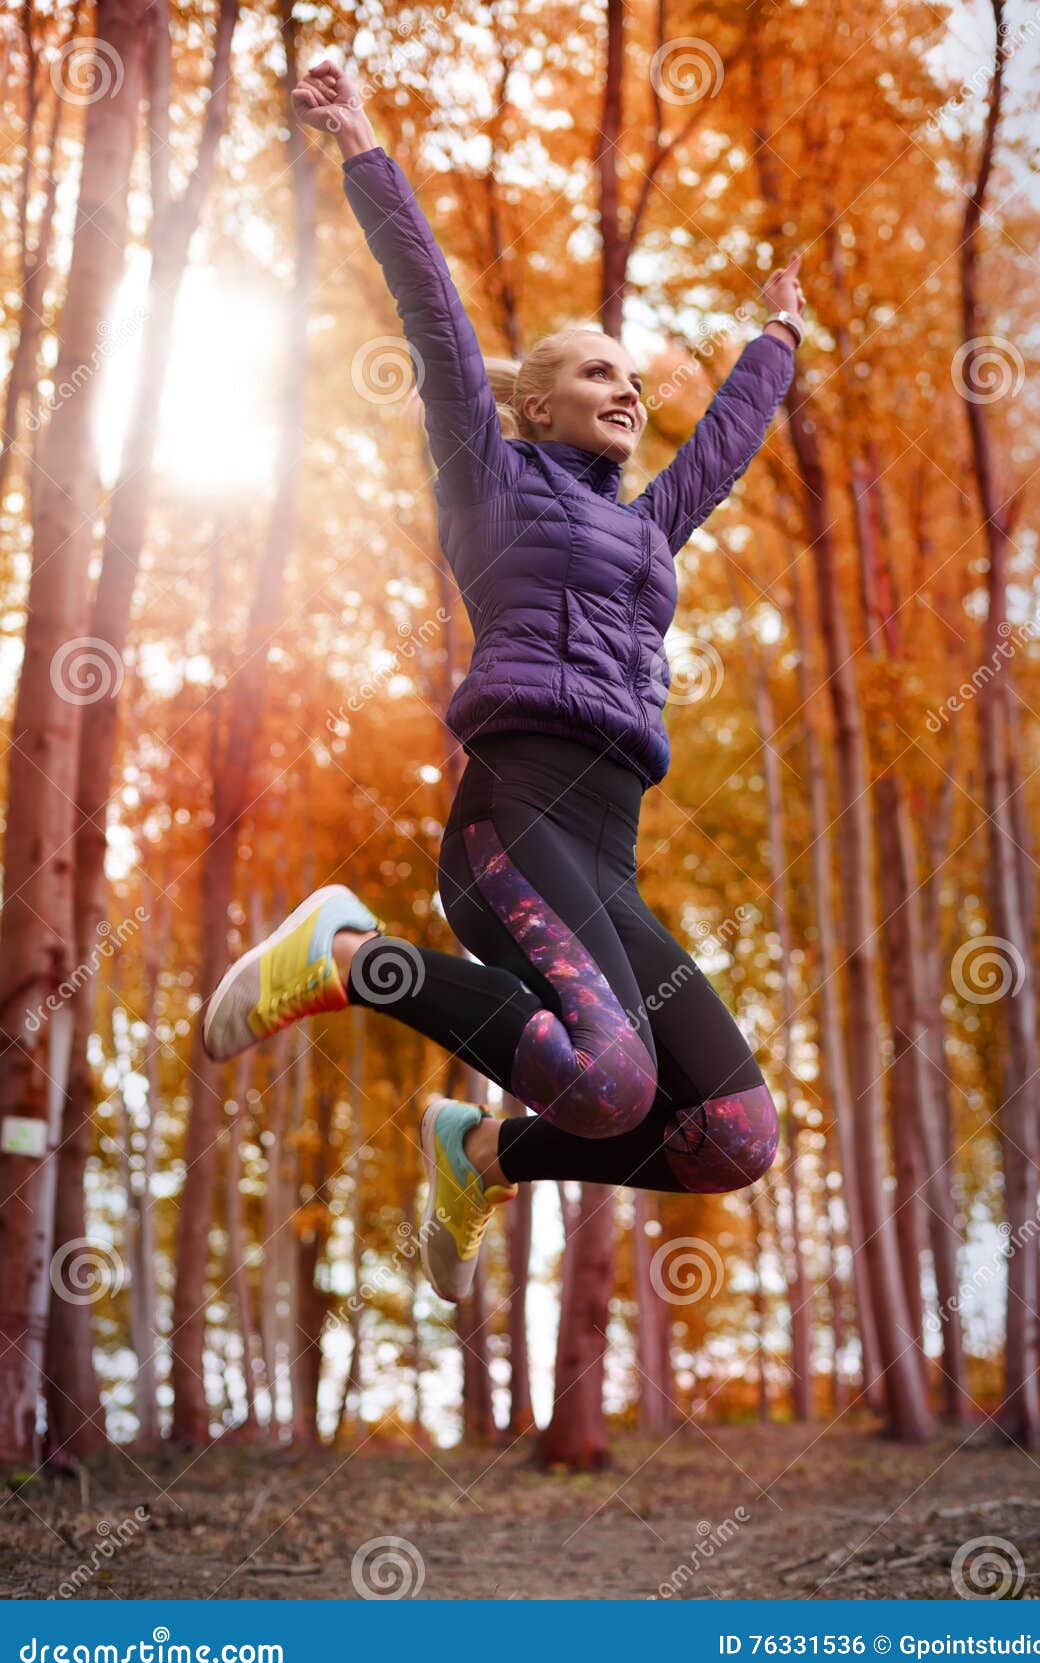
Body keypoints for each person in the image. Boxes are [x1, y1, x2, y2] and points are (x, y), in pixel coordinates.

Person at [203, 58, 806, 1306]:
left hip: (608, 844)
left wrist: (776, 339)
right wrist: (363, 144)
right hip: (513, 819)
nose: (626, 387)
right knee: (611, 1080)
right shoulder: (488, 473)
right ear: (533, 400)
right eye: (595, 372)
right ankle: (347, 950)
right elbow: (428, 307)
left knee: (734, 1136)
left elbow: (728, 448)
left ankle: (475, 1149)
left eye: (632, 377)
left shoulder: (646, 529)